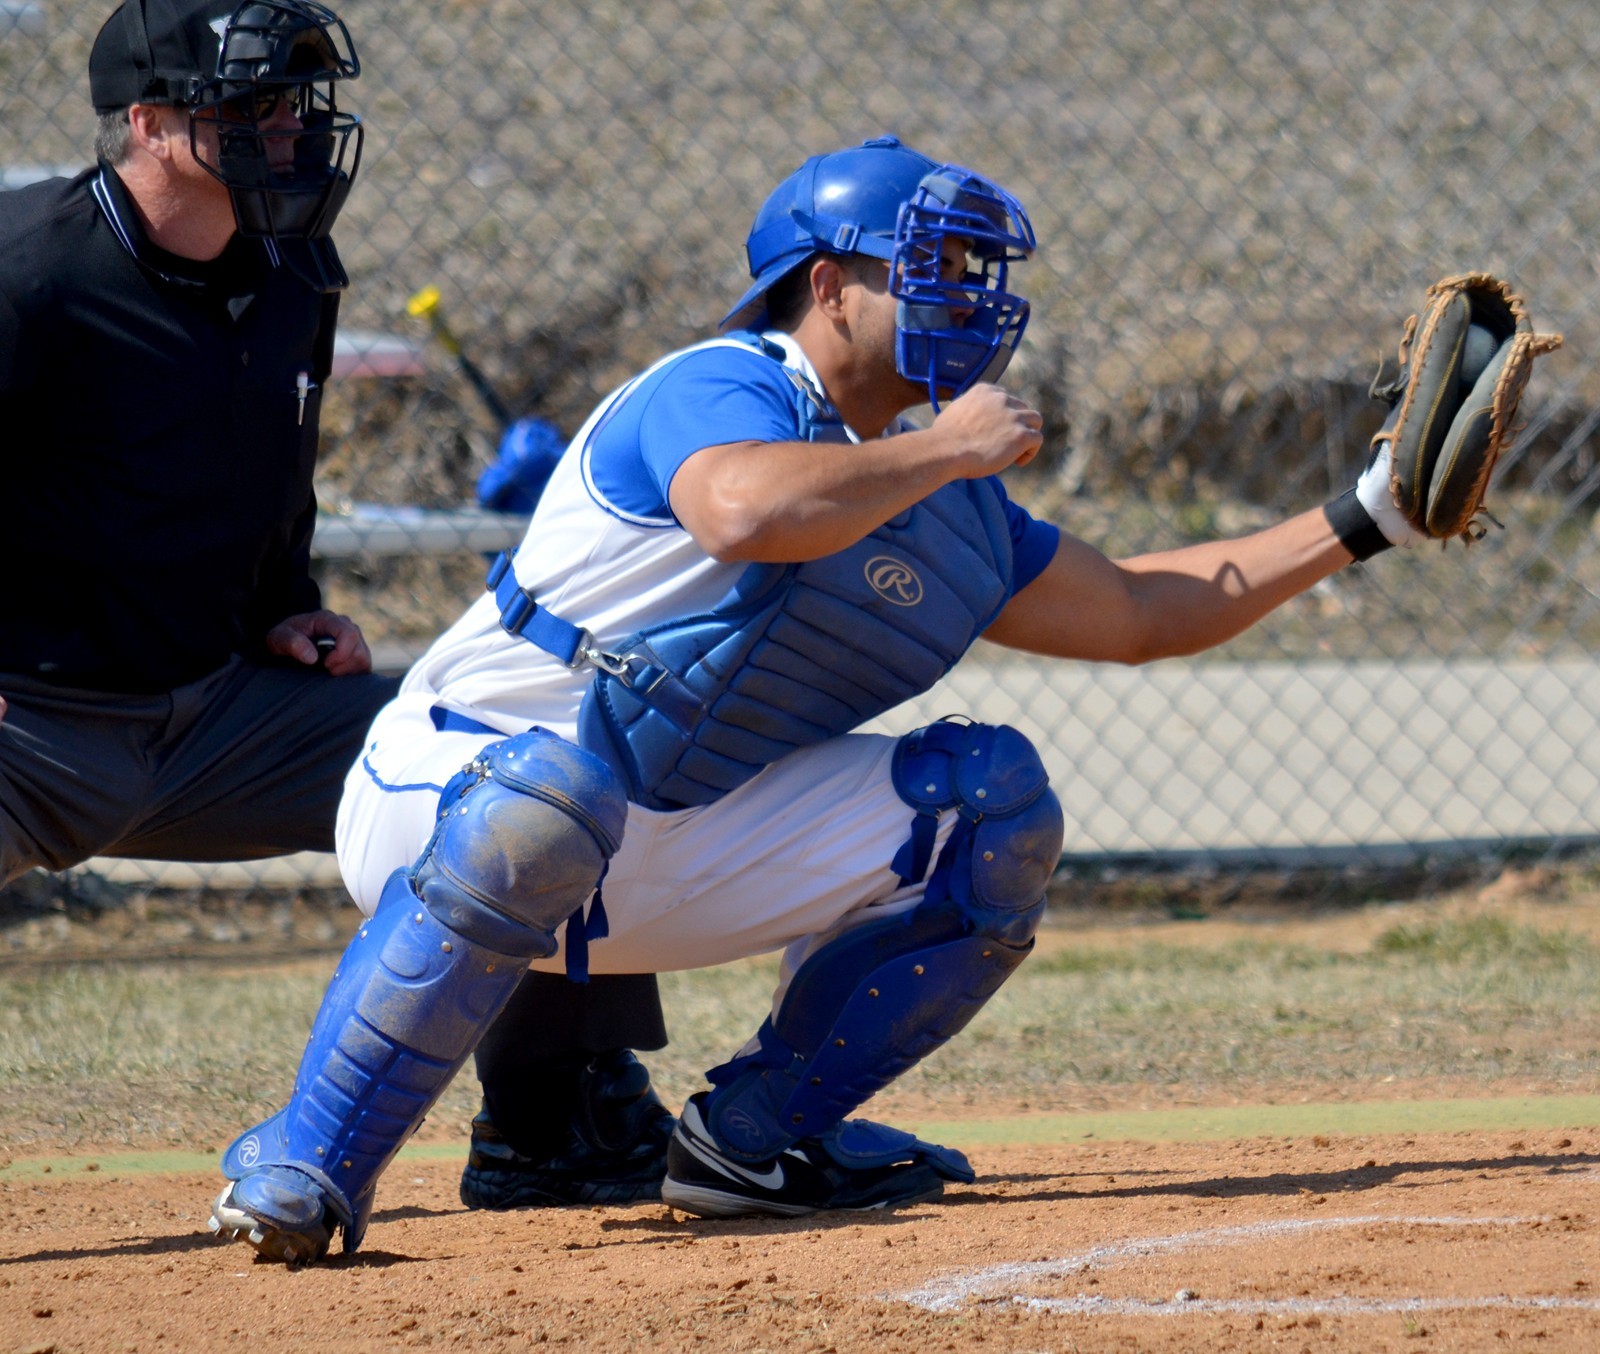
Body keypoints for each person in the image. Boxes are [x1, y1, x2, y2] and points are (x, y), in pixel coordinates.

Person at [210, 133, 1431, 1266]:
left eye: (975, 269)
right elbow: (745, 510)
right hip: (453, 793)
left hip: (663, 840)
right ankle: (307, 1161)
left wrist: (1367, 518)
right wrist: (944, 448)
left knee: (993, 805)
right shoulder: (725, 379)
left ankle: (753, 1139)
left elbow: (1146, 609)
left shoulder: (937, 489)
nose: (969, 295)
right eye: (931, 268)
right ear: (829, 286)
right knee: (551, 794)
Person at [0, 0, 671, 1211]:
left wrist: (285, 606)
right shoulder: (27, 271)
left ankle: (552, 1108)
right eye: (251, 104)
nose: (289, 130)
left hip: (219, 718)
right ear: (146, 123)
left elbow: (265, 469)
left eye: (298, 101)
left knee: (526, 779)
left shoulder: (294, 267)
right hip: (29, 729)